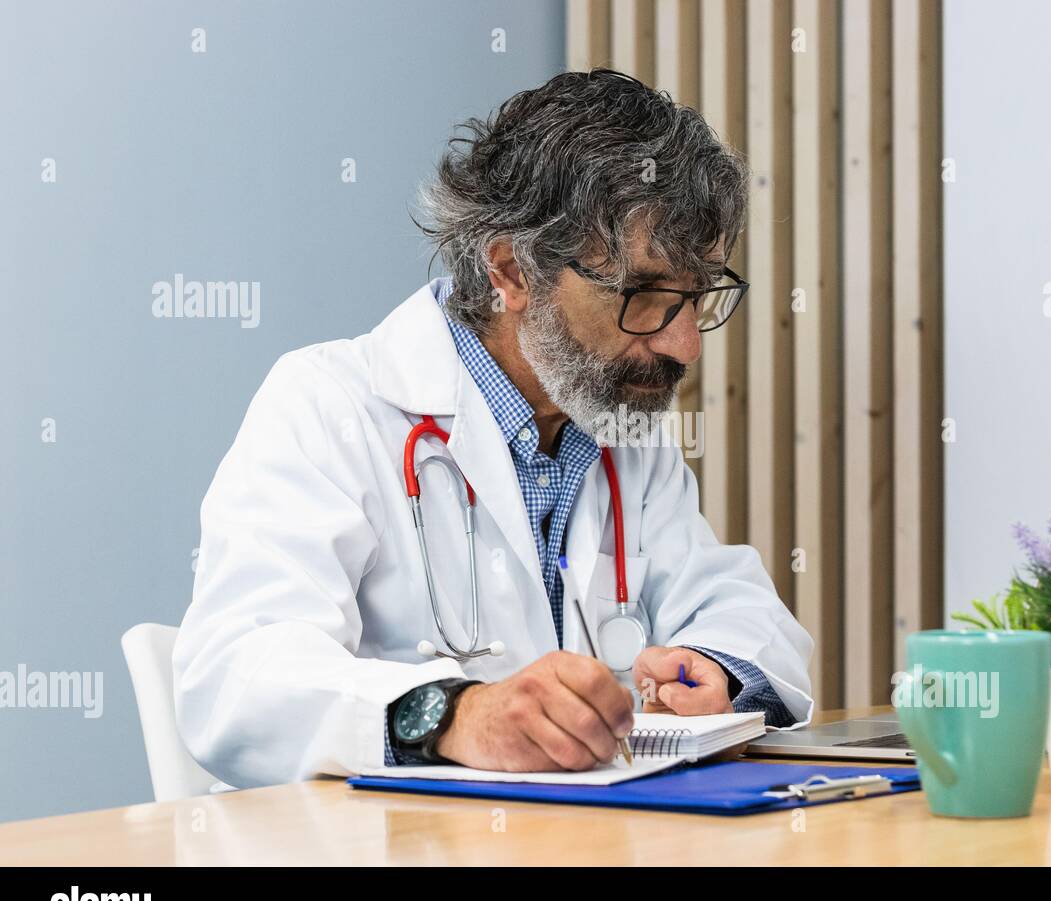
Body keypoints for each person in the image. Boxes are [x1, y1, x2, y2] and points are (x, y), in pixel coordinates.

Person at [175, 69, 813, 788]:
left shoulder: (618, 430)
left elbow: (733, 605)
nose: (685, 346)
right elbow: (237, 675)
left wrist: (715, 668)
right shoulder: (329, 406)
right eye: (645, 295)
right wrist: (454, 717)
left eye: (697, 299)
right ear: (512, 271)